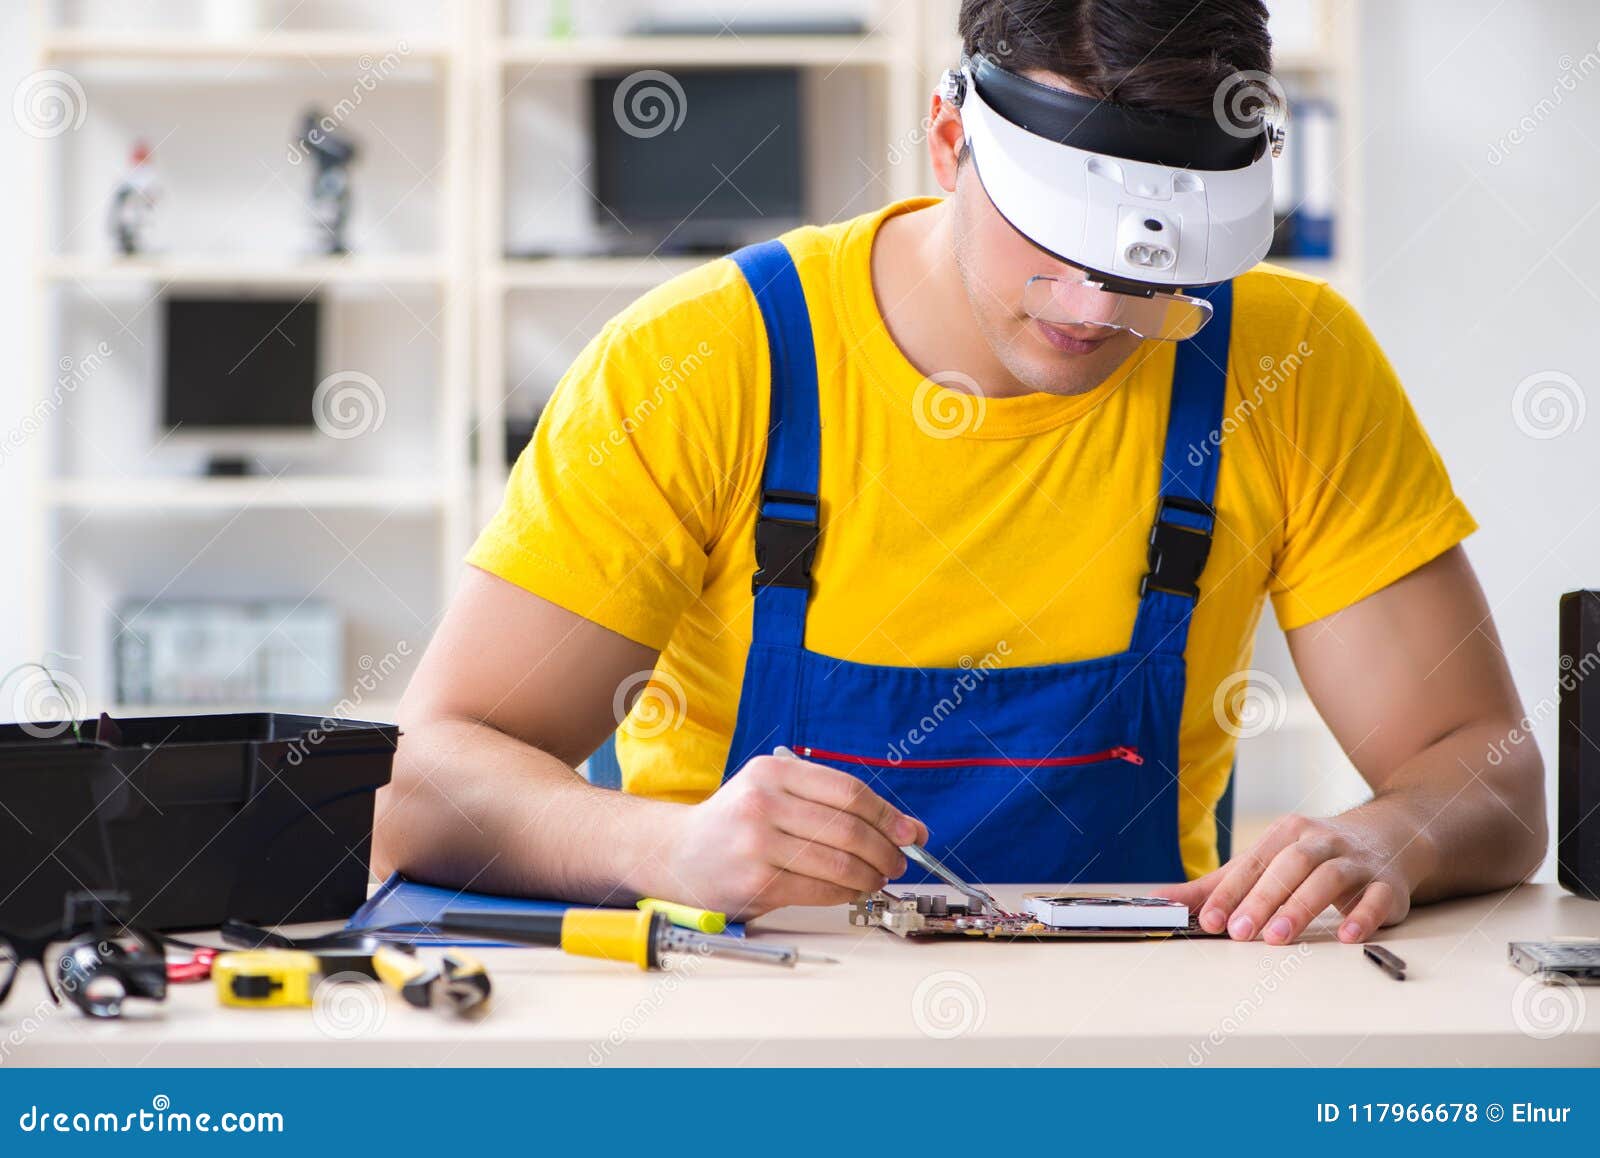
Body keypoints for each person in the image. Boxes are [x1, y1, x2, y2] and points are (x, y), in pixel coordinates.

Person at [375, 0, 1545, 945]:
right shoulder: (704, 362)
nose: (1095, 310)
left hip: (1131, 1035)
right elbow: (418, 784)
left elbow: (1489, 773)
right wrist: (666, 849)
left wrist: (1397, 835)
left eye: (1149, 277)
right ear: (950, 142)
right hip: (744, 1028)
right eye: (1055, 243)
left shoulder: (1286, 367)